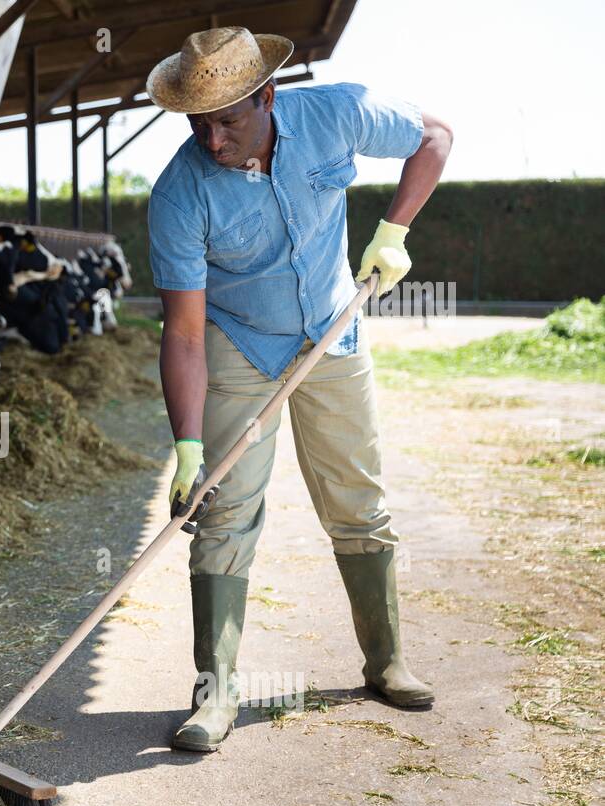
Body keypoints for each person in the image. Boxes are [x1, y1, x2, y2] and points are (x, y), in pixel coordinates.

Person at [145, 26, 453, 752]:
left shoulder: (337, 113)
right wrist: (187, 448)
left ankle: (386, 663)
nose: (212, 141)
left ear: (269, 97)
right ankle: (215, 694)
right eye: (198, 124)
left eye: (228, 120)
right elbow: (185, 333)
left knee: (358, 497)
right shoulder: (179, 194)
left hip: (332, 331)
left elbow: (434, 135)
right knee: (223, 515)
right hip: (238, 343)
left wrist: (394, 230)